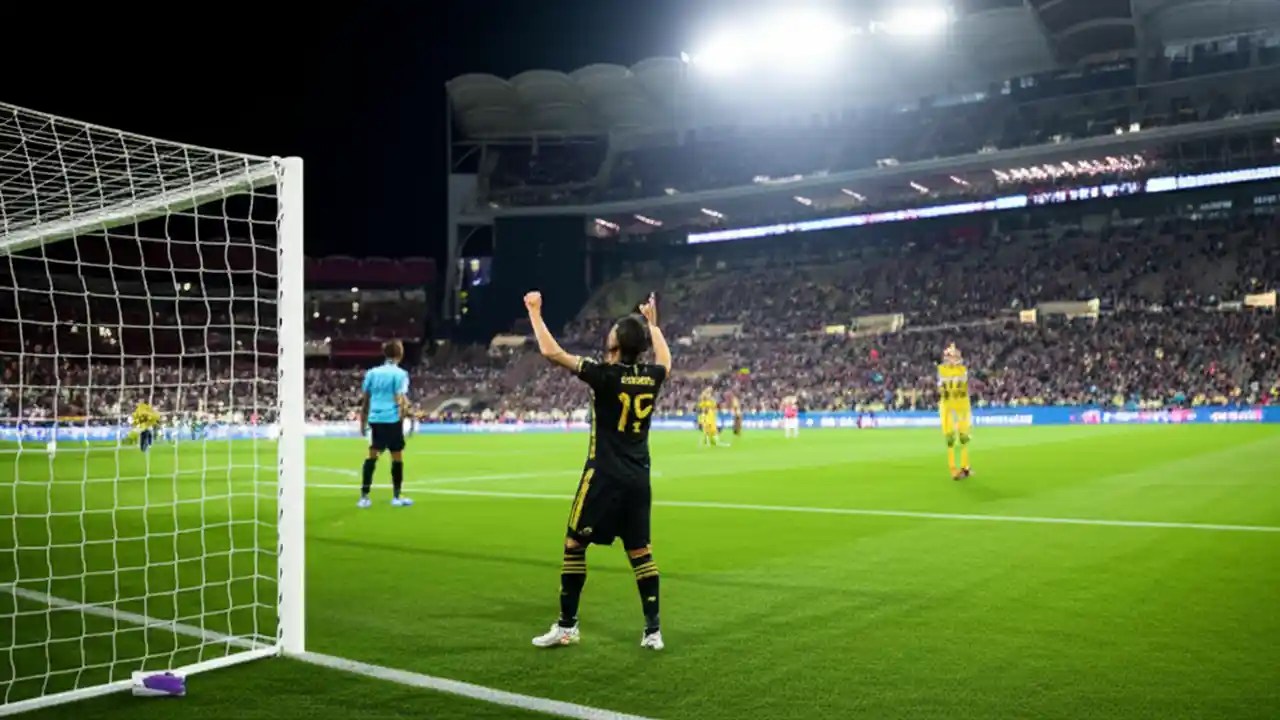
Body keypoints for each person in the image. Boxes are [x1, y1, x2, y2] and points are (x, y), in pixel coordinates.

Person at [525, 291, 672, 652]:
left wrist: (535, 313)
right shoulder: (651, 376)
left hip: (603, 475)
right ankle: (653, 631)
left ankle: (567, 626)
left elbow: (552, 353)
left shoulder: (604, 375)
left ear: (617, 343)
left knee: (574, 545)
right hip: (638, 478)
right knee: (641, 552)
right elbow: (665, 361)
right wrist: (654, 326)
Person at [358, 339, 412, 508]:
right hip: (392, 419)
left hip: (375, 418)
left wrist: (362, 421)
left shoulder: (372, 373)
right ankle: (396, 496)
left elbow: (366, 399)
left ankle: (364, 497)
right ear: (400, 354)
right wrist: (406, 414)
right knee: (396, 457)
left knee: (372, 456)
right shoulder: (401, 374)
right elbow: (399, 397)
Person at [938, 343, 973, 480]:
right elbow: (943, 386)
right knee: (950, 438)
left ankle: (965, 467)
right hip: (948, 405)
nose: (952, 359)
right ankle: (953, 469)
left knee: (964, 437)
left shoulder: (962, 370)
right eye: (950, 357)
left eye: (954, 357)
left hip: (961, 404)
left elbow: (962, 384)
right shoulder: (942, 370)